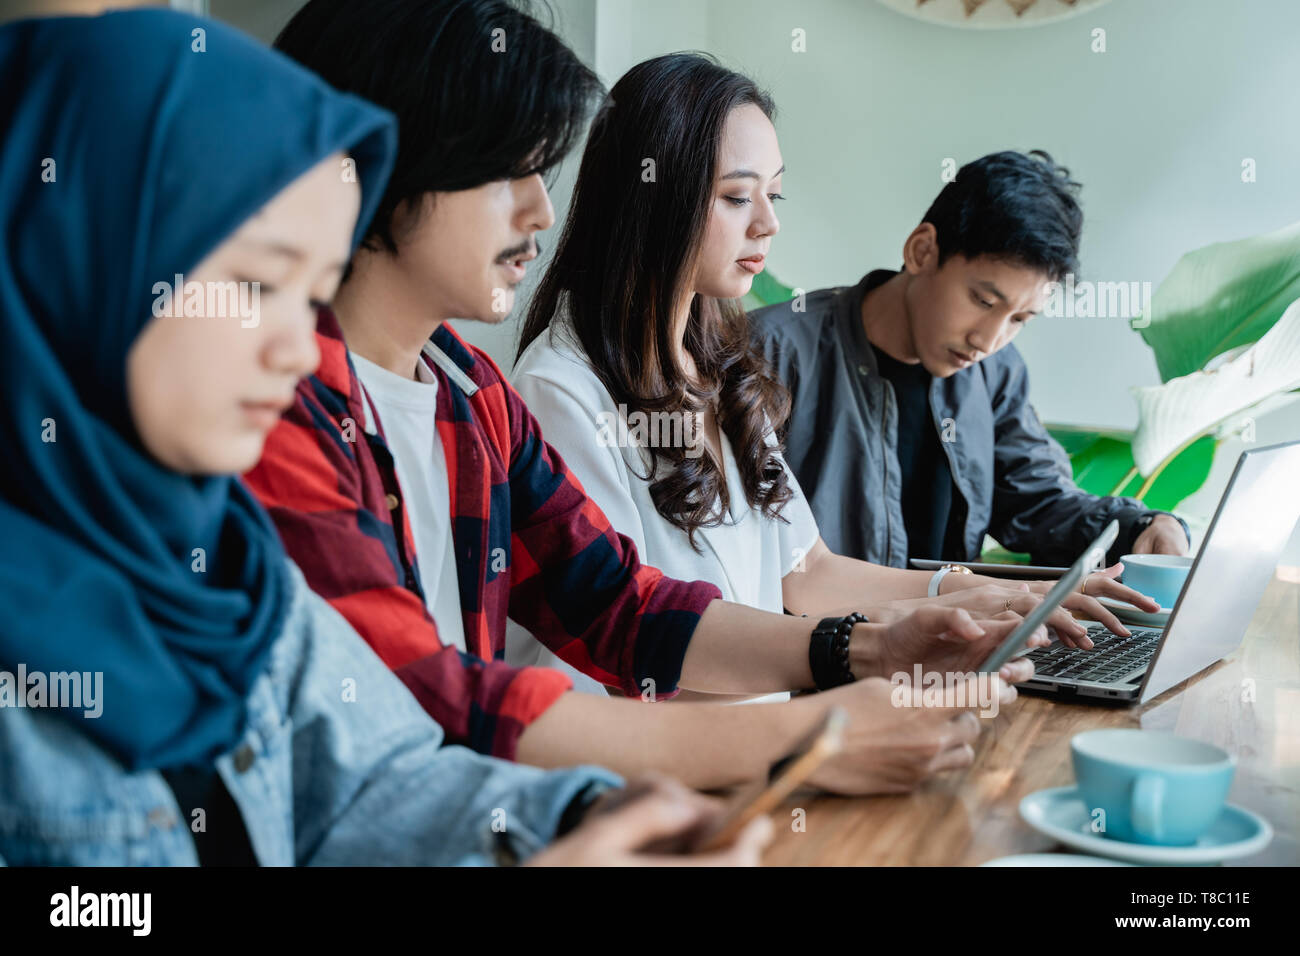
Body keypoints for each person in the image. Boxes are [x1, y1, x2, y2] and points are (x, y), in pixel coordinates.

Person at [0, 7, 770, 867]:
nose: (297, 347)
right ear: (81, 258)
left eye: (309, 290)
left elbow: (377, 781)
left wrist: (580, 818)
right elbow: (435, 706)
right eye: (254, 284)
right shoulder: (284, 446)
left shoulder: (236, 570)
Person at [248, 0, 1031, 796]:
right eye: (504, 172)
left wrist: (859, 648)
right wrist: (808, 731)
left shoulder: (470, 392)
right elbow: (431, 701)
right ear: (380, 162)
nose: (540, 211)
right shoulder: (277, 410)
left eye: (540, 174)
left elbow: (617, 603)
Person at [510, 56, 1157, 693]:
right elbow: (625, 642)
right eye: (738, 196)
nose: (769, 222)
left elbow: (806, 570)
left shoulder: (721, 369)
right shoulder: (565, 392)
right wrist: (854, 675)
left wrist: (1000, 597)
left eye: (774, 194)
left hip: (766, 742)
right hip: (693, 766)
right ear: (651, 198)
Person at [749, 150, 1191, 576]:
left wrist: (1141, 526)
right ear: (922, 251)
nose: (988, 339)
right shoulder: (769, 355)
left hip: (952, 639)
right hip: (816, 646)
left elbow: (1035, 499)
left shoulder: (995, 371)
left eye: (1020, 318)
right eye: (982, 300)